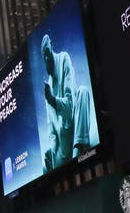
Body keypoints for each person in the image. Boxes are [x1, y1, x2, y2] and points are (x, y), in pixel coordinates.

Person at [41, 34, 95, 172]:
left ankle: (80, 148)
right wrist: (52, 150)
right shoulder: (48, 86)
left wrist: (52, 100)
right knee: (46, 162)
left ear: (52, 46)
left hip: (75, 124)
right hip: (64, 143)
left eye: (47, 53)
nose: (46, 58)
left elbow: (70, 106)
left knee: (83, 91)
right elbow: (51, 130)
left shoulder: (63, 59)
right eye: (44, 56)